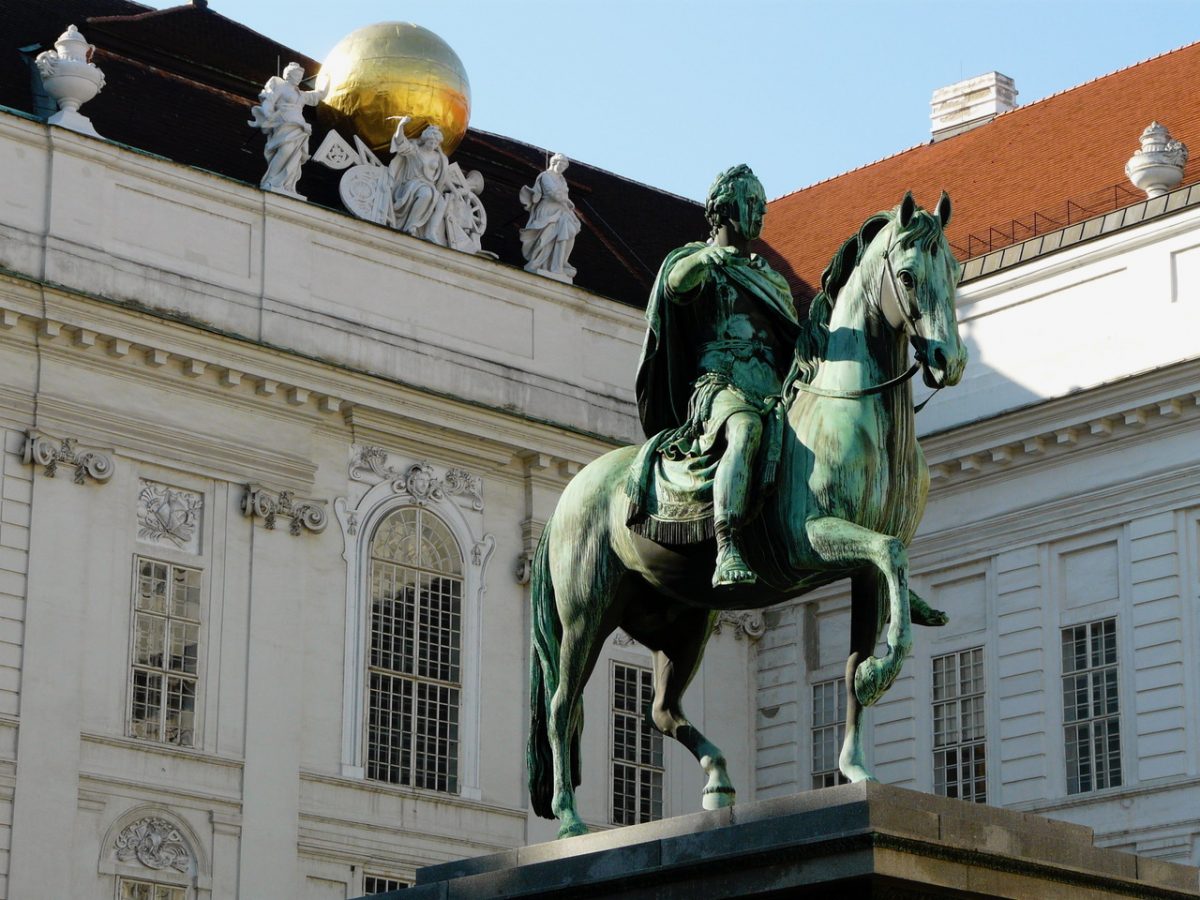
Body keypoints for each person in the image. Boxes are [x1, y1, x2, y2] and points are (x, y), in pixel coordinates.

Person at [631, 164, 800, 587]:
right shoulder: (696, 262)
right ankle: (728, 546)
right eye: (752, 204)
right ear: (725, 210)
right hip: (721, 385)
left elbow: (791, 338)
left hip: (773, 388)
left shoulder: (772, 278)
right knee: (743, 431)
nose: (761, 213)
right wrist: (708, 256)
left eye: (762, 205)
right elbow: (674, 287)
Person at [247, 63, 327, 199]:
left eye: (300, 76)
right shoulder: (281, 87)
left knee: (295, 155)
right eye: (296, 75)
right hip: (284, 122)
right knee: (285, 150)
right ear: (288, 74)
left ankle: (286, 184)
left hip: (300, 126)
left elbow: (320, 94)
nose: (298, 78)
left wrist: (329, 74)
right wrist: (268, 114)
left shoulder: (301, 94)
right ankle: (271, 180)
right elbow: (269, 101)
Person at [519, 153, 581, 280]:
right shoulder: (546, 176)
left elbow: (563, 196)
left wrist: (568, 207)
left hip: (562, 210)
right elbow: (552, 193)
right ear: (554, 162)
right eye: (561, 164)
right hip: (548, 210)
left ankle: (560, 261)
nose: (562, 167)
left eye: (564, 165)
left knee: (571, 231)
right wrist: (566, 201)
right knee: (548, 236)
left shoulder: (562, 179)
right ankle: (546, 264)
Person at [388, 117, 449, 241]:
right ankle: (411, 226)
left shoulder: (439, 157)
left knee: (441, 203)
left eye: (436, 143)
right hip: (412, 185)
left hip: (430, 186)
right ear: (425, 139)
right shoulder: (415, 151)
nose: (433, 145)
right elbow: (401, 142)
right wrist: (401, 125)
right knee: (426, 194)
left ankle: (430, 232)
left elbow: (441, 177)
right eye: (431, 142)